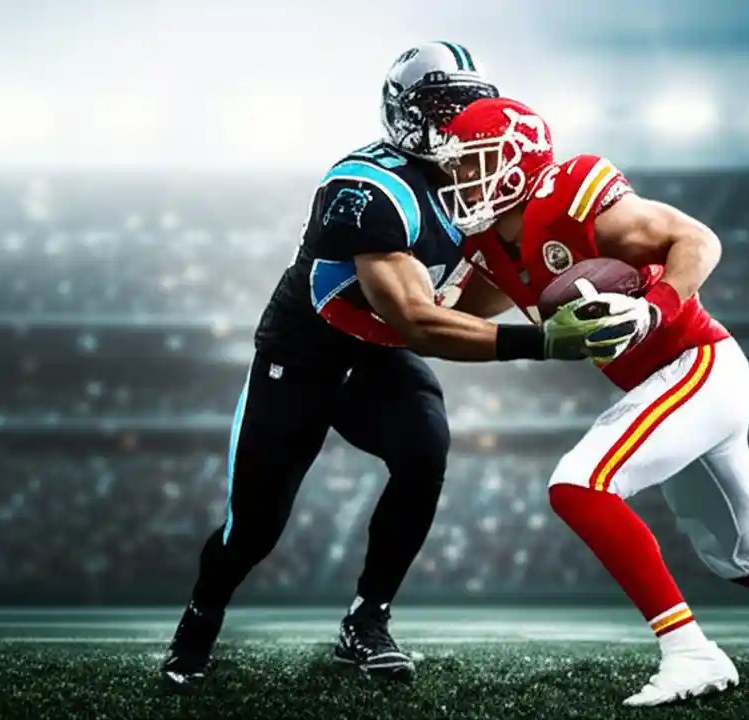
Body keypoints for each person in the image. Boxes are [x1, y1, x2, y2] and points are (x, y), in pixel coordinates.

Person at [161, 45, 630, 687]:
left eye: (468, 104)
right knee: (255, 527)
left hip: (379, 356)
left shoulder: (481, 176)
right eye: (442, 105)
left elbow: (470, 287)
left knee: (425, 451)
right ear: (404, 112)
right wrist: (543, 340)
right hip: (304, 358)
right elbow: (416, 317)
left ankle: (368, 620)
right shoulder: (368, 188)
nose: (459, 118)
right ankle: (200, 617)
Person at [432, 96, 749, 707]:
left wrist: (653, 308)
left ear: (520, 158)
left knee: (580, 484)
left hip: (697, 364)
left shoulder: (574, 200)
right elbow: (439, 324)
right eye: (456, 167)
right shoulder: (491, 250)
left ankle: (691, 652)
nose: (461, 179)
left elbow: (697, 240)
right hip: (681, 384)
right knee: (740, 555)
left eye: (475, 163)